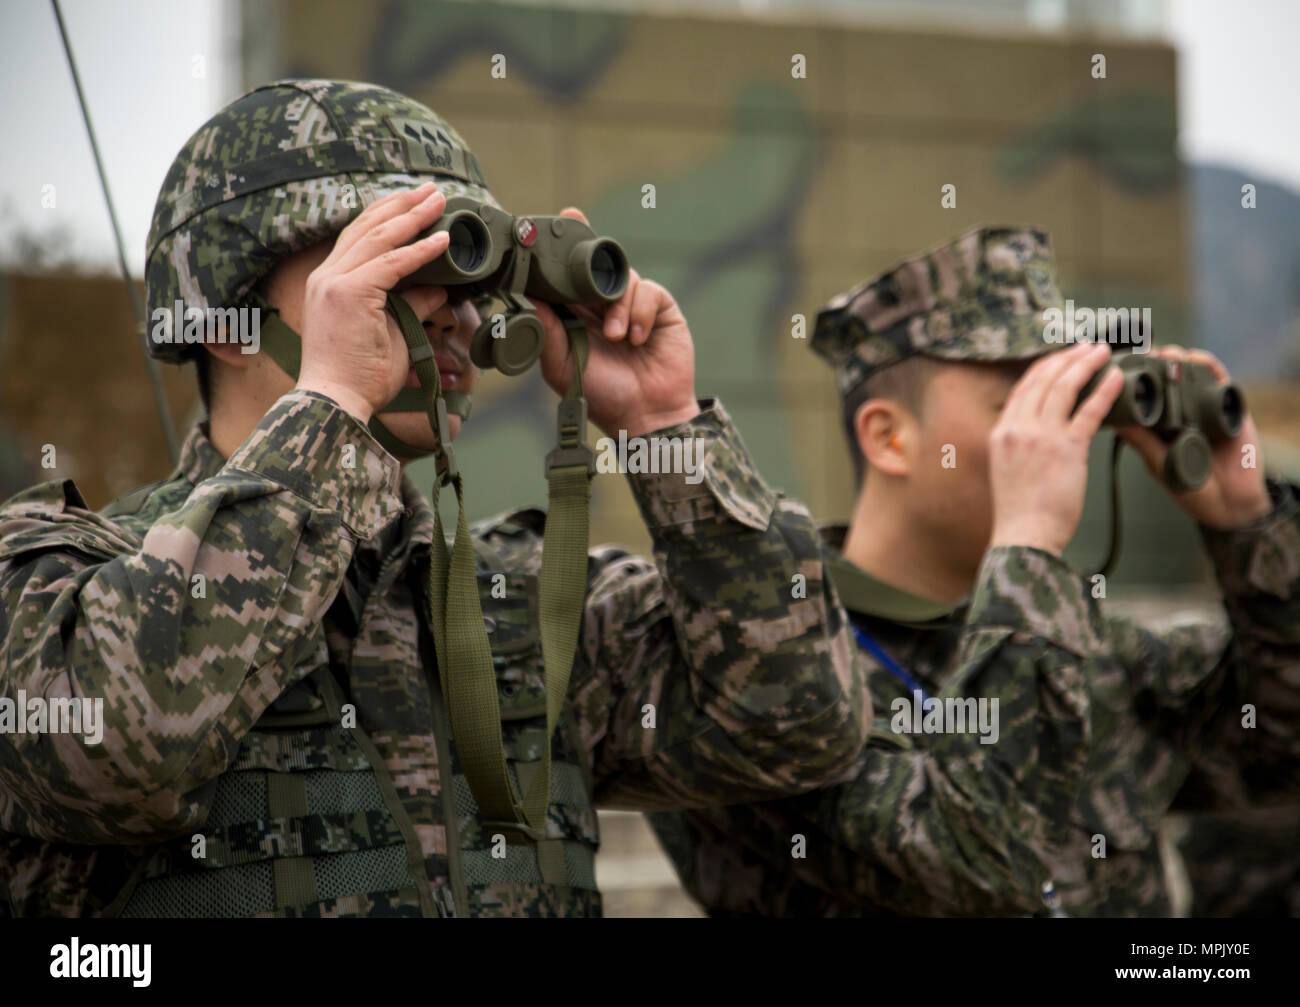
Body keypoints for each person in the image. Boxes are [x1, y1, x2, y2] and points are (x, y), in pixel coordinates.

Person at [0, 79, 870, 918]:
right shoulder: (60, 581)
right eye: (394, 256)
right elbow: (115, 749)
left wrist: (665, 428)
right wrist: (331, 401)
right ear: (227, 318)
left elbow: (799, 727)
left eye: (464, 266)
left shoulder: (534, 605)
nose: (454, 312)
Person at [647, 225, 1300, 916]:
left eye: (1072, 396)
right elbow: (977, 874)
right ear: (889, 436)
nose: (1063, 433)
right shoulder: (770, 671)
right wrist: (1028, 545)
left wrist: (1247, 528)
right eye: (1023, 402)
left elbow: (1282, 748)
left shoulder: (1100, 654)